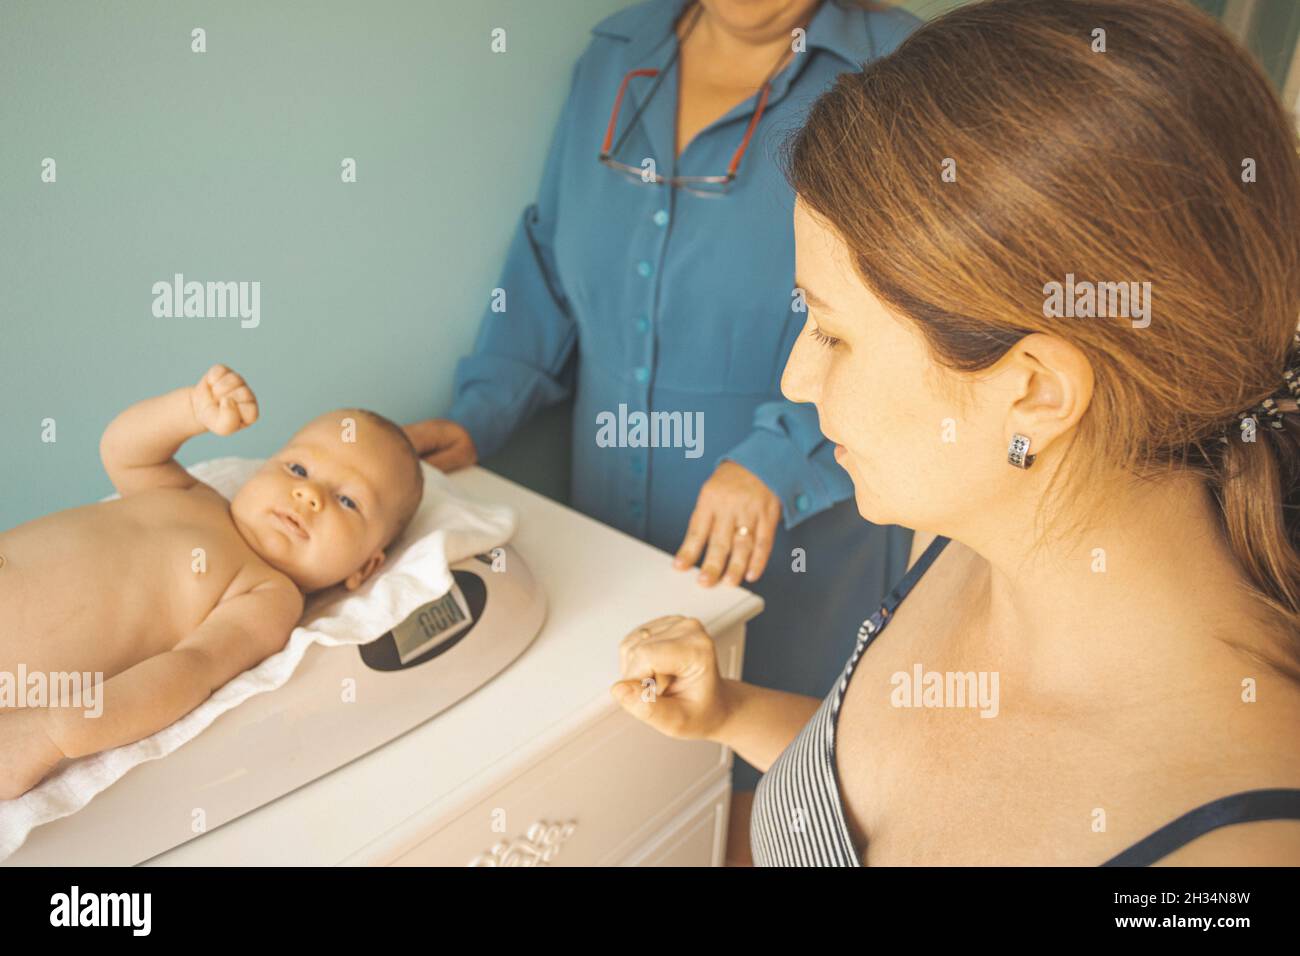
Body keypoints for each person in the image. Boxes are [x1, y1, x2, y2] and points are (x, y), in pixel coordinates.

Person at [612, 0, 1300, 865]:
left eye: (832, 332)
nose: (794, 378)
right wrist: (733, 713)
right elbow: (876, 792)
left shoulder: (1226, 863)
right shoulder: (966, 535)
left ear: (1036, 393)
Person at [405, 0, 922, 789]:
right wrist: (481, 411)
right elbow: (548, 254)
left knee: (785, 788)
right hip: (612, 507)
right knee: (637, 780)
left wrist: (780, 457)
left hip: (802, 524)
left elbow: (911, 308)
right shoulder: (616, 53)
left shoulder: (901, 70)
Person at [0, 364, 423, 798]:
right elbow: (121, 451)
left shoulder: (268, 593)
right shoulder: (191, 494)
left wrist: (51, 732)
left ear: (365, 569)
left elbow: (190, 670)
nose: (308, 494)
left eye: (348, 500)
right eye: (298, 469)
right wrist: (190, 409)